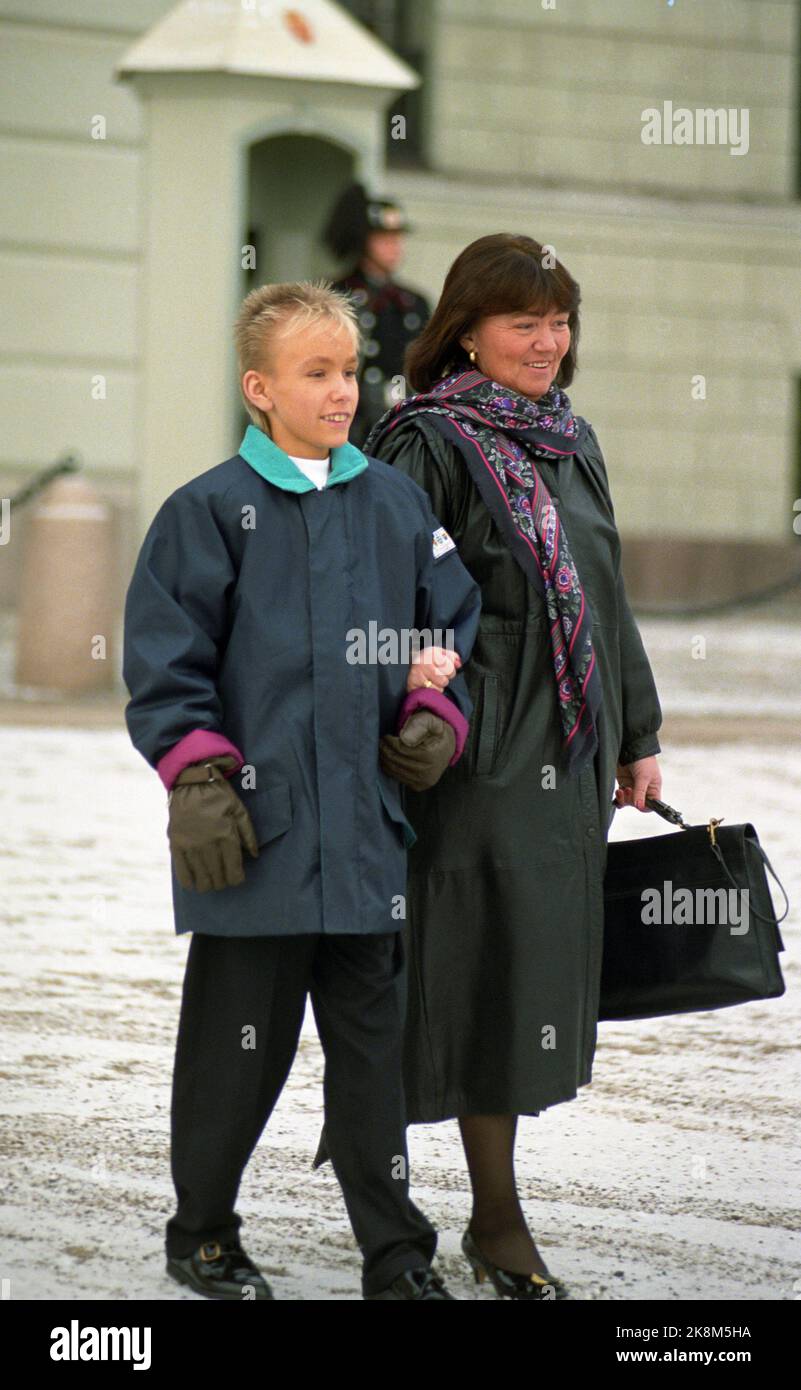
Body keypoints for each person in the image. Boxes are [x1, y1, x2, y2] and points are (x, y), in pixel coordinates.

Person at [313, 234, 665, 1300]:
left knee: (528, 970)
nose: (549, 342)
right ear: (466, 327)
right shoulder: (426, 441)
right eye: (525, 322)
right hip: (473, 752)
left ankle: (473, 1203)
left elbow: (605, 594)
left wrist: (637, 730)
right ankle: (485, 1214)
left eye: (561, 321)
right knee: (468, 968)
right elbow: (377, 598)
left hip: (569, 744)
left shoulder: (571, 437)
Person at [122, 279, 482, 1301]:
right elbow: (166, 663)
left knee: (375, 1065)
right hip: (256, 840)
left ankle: (396, 1255)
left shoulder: (397, 505)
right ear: (260, 389)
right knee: (238, 1058)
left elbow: (449, 629)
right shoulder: (205, 514)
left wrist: (435, 719)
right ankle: (202, 1232)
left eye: (349, 371)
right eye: (314, 374)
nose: (341, 391)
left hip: (367, 844)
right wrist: (195, 775)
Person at [323, 181, 430, 448]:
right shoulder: (336, 295)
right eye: (385, 239)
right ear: (365, 242)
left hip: (401, 422)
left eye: (398, 239)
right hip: (351, 422)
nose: (395, 247)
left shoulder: (413, 302)